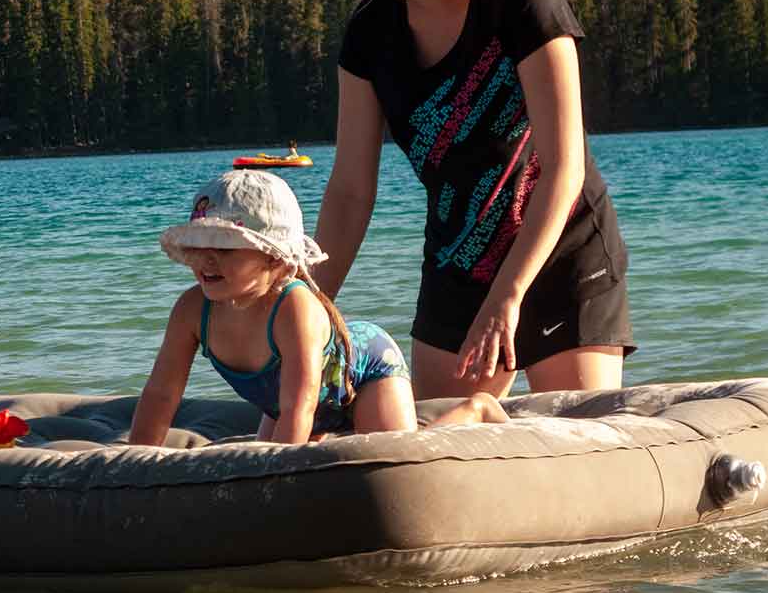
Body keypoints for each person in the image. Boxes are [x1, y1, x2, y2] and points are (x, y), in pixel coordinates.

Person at [312, 0, 634, 401]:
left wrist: (510, 296)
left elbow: (563, 166)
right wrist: (310, 302)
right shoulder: (369, 35)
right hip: (459, 263)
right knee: (445, 454)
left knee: (574, 447)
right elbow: (351, 190)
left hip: (563, 252)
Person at [130, 169, 508, 446]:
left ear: (274, 259)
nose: (206, 260)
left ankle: (475, 410)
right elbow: (162, 394)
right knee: (269, 444)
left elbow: (300, 406)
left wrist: (273, 482)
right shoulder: (192, 309)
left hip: (364, 373)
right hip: (290, 396)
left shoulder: (294, 305)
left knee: (396, 450)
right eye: (199, 245)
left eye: (225, 248)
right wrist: (137, 466)